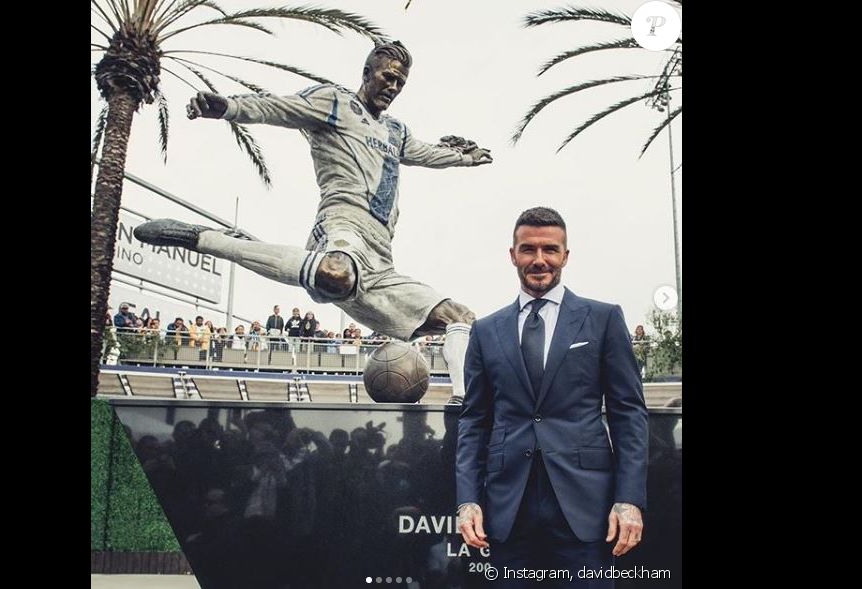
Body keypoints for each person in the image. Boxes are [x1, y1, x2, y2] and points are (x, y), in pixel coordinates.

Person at [134, 40, 492, 403]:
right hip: (341, 227)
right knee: (336, 273)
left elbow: (426, 154)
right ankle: (210, 239)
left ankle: (464, 404)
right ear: (367, 73)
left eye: (401, 83)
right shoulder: (335, 103)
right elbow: (280, 107)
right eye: (388, 77)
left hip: (381, 256)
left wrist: (465, 157)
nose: (393, 87)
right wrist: (229, 107)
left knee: (460, 316)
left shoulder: (397, 132)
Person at [455, 207, 648, 587]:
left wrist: (630, 500)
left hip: (587, 509)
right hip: (507, 510)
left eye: (550, 250)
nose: (539, 260)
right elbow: (474, 420)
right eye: (528, 249)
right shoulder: (485, 330)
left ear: (565, 255)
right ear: (512, 255)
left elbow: (628, 414)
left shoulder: (604, 319)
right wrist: (467, 500)